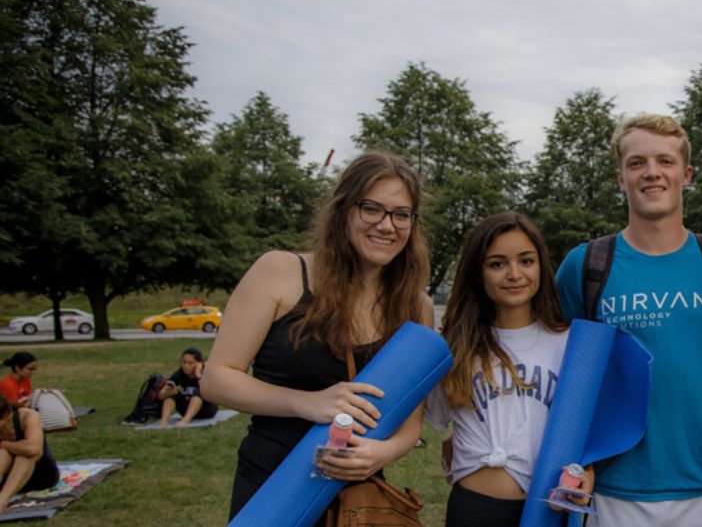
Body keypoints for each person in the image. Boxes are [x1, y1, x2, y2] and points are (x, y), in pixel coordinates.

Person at [555, 113, 702, 526]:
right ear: (621, 178)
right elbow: (553, 369)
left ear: (686, 173)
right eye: (637, 163)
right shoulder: (585, 267)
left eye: (665, 161)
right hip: (613, 489)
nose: (651, 173)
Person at [201, 152, 435, 519]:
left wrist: (380, 455)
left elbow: (410, 424)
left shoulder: (415, 305)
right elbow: (216, 379)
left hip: (359, 500)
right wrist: (307, 402)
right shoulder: (280, 271)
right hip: (273, 488)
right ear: (343, 211)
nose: (387, 225)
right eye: (371, 208)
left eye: (401, 214)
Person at [424, 212, 591, 525]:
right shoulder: (455, 346)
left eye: (526, 261)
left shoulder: (570, 343)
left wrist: (587, 472)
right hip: (475, 508)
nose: (515, 274)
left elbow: (588, 433)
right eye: (497, 264)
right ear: (478, 273)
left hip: (546, 509)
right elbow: (434, 419)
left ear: (541, 265)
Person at [0, 399, 58, 515]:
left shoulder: (28, 416)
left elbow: (33, 448)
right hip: (5, 477)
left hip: (39, 474)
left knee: (26, 454)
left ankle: (2, 500)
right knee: (3, 454)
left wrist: (3, 444)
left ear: (6, 415)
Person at [157, 347, 219, 427]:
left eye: (190, 363)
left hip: (206, 410)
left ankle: (185, 421)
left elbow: (210, 392)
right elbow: (160, 396)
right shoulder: (179, 374)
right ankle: (164, 422)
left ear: (198, 363)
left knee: (199, 391)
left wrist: (198, 374)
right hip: (186, 408)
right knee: (172, 395)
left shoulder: (205, 372)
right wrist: (166, 392)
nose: (186, 366)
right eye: (184, 362)